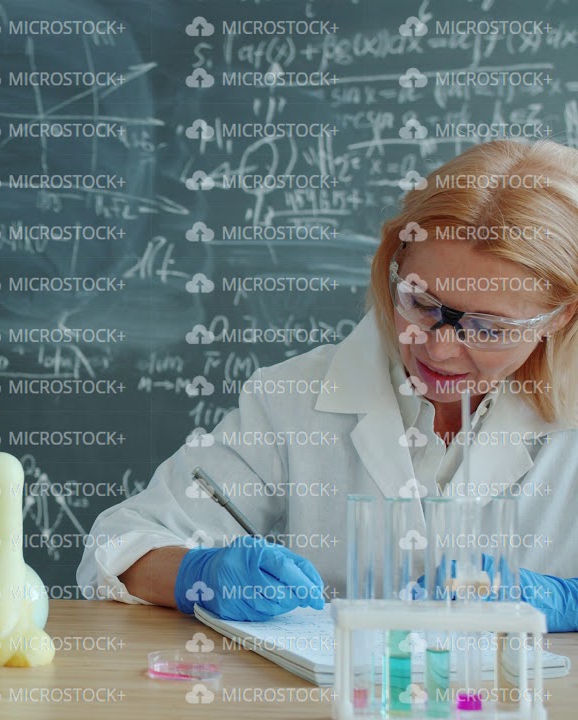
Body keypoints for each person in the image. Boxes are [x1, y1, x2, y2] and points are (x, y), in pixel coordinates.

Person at [78, 139, 578, 631]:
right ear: (395, 262)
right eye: (421, 303)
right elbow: (121, 545)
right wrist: (197, 575)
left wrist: (564, 600)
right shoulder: (294, 397)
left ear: (561, 316)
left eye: (488, 329)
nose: (439, 348)